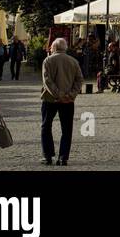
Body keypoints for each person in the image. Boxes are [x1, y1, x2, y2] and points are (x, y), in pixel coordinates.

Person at [41, 37, 84, 166]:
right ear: (65, 48)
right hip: (68, 101)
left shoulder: (48, 60)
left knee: (46, 126)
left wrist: (58, 95)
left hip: (50, 99)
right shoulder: (73, 61)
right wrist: (70, 95)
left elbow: (47, 81)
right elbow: (79, 80)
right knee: (67, 129)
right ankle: (63, 157)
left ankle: (47, 156)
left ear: (53, 47)